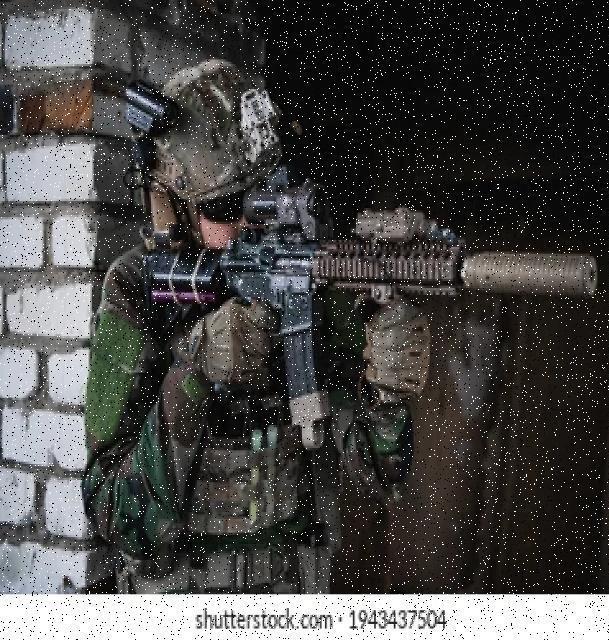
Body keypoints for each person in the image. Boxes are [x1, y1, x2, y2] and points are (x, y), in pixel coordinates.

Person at [81, 59, 431, 593]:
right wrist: (194, 372)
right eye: (225, 206)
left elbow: (383, 477)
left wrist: (386, 397)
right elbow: (115, 514)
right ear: (173, 207)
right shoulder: (138, 289)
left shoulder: (308, 280)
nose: (249, 222)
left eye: (262, 194)